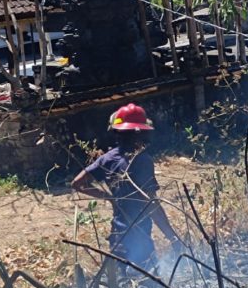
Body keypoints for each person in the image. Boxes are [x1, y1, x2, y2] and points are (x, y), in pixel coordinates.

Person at [71, 103, 181, 268]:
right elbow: (152, 204)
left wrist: (109, 197)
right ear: (141, 133)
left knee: (121, 285)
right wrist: (172, 237)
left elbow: (77, 184)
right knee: (147, 286)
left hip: (118, 237)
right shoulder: (142, 161)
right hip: (140, 239)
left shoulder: (107, 159)